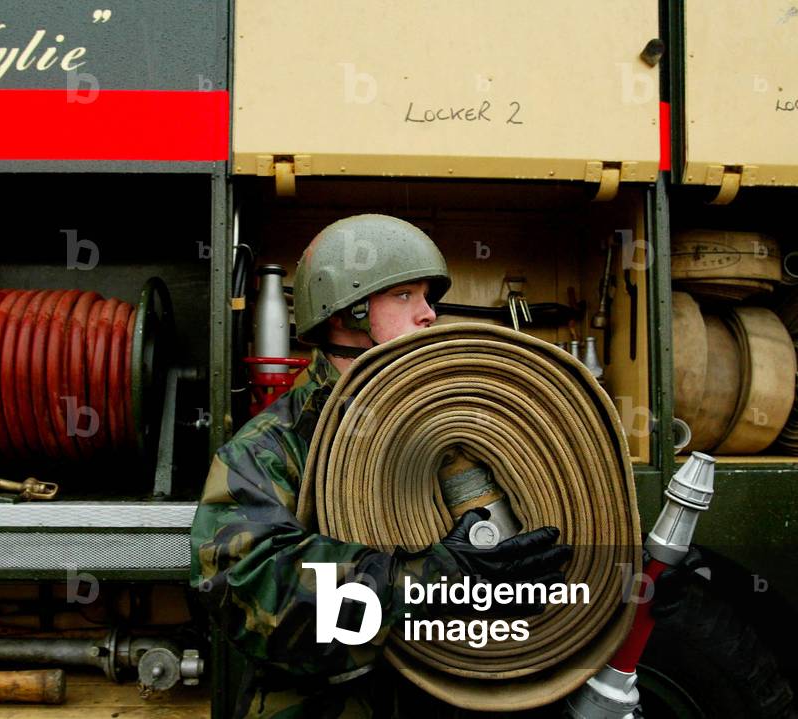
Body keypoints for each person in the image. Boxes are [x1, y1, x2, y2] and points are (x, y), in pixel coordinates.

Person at [191, 214, 572, 718]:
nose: (429, 315)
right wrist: (435, 577)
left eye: (427, 298)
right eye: (405, 296)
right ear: (345, 313)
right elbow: (249, 589)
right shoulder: (272, 445)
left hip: (455, 693)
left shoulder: (447, 425)